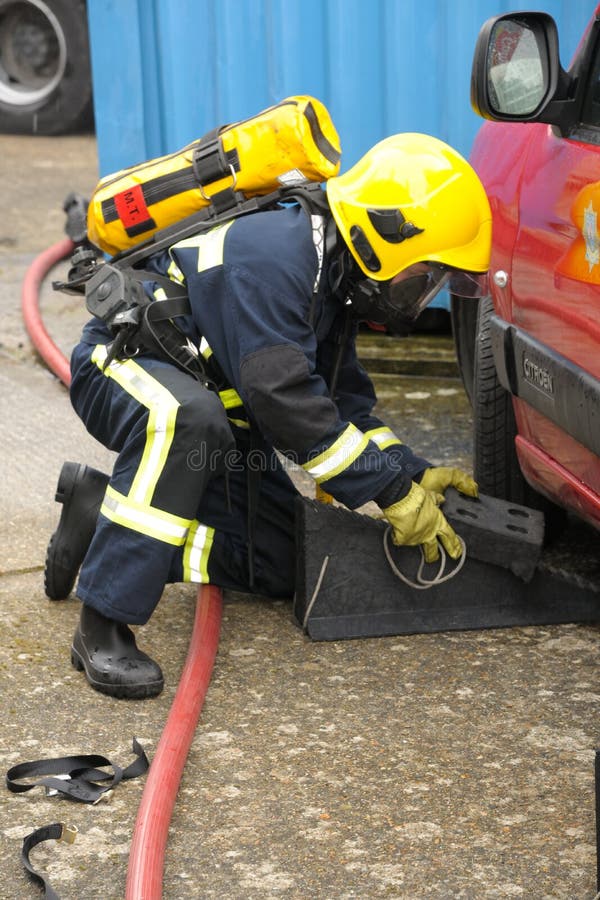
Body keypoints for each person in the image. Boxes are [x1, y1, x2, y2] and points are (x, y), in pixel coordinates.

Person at [46, 132, 492, 700]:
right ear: (384, 237)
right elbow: (284, 401)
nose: (424, 293)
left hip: (211, 402)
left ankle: (96, 520)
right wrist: (387, 493)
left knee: (284, 562)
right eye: (426, 276)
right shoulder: (276, 259)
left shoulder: (332, 276)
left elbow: (341, 403)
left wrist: (408, 471)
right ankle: (102, 622)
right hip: (125, 363)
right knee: (188, 418)